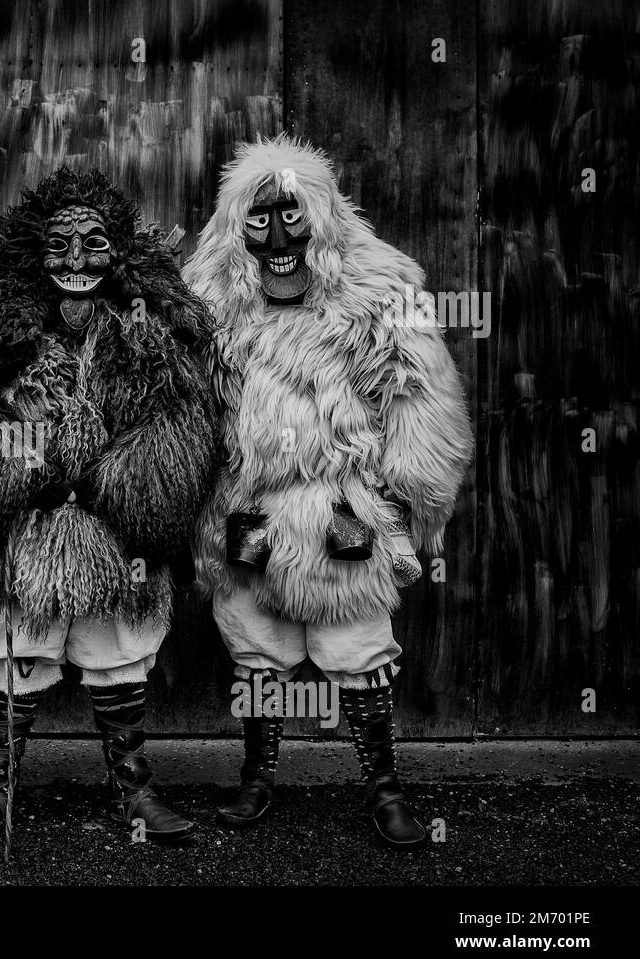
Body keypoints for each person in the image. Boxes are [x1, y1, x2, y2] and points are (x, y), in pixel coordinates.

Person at [182, 134, 473, 848]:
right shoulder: (209, 300)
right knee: (255, 647)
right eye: (260, 220)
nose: (279, 237)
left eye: (293, 216)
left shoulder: (375, 290)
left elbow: (419, 394)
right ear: (235, 228)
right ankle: (258, 777)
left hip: (337, 509)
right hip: (246, 509)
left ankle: (385, 786)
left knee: (357, 647)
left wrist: (408, 500)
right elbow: (184, 403)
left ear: (322, 217)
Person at [0, 169, 218, 845]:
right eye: (61, 245)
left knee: (118, 652)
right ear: (34, 249)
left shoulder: (148, 330)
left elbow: (182, 422)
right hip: (25, 532)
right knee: (10, 652)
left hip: (116, 535)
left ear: (120, 250)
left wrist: (123, 484)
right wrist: (23, 475)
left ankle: (135, 790)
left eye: (94, 243)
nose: (77, 261)